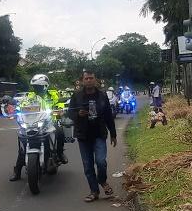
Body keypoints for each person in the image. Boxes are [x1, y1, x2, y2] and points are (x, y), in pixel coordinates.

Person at [67, 70, 117, 202]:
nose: (89, 80)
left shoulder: (102, 95)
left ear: (95, 80)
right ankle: (94, 191)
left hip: (99, 134)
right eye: (86, 78)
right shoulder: (76, 96)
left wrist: (113, 134)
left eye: (91, 78)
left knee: (101, 161)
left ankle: (103, 181)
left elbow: (108, 115)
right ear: (82, 81)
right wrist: (79, 114)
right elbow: (69, 113)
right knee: (88, 166)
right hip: (83, 136)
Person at [10, 73, 67, 182]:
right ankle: (17, 171)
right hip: (33, 123)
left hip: (49, 121)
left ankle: (60, 153)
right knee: (22, 142)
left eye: (39, 86)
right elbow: (22, 105)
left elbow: (60, 103)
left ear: (45, 86)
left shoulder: (53, 94)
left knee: (60, 131)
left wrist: (59, 110)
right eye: (35, 86)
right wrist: (16, 110)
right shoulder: (30, 96)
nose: (37, 88)